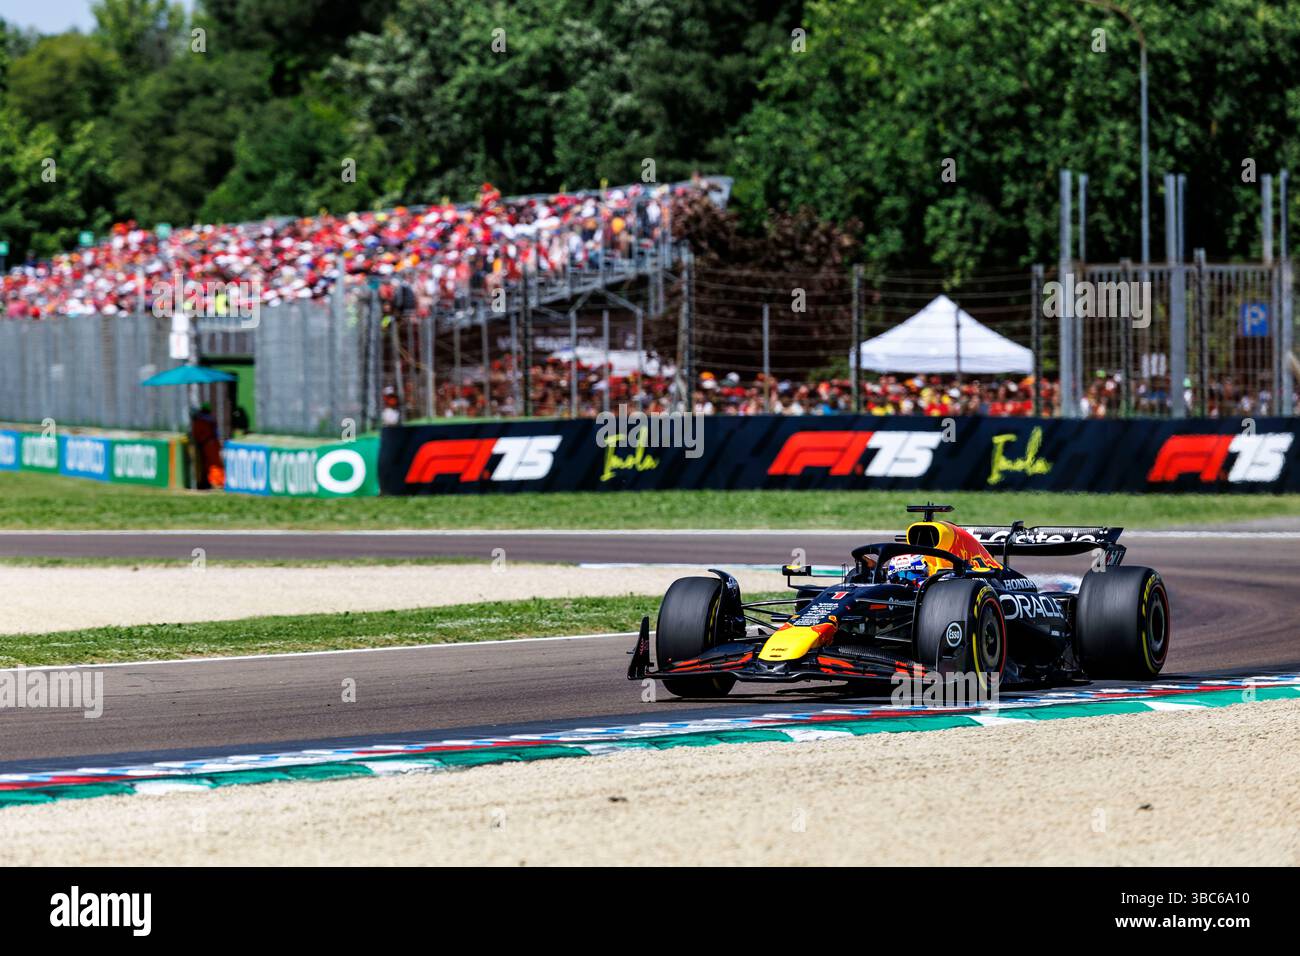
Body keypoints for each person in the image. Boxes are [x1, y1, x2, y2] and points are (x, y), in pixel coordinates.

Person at [189, 404, 224, 490]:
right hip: (210, 443)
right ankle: (214, 482)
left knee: (213, 464)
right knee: (211, 464)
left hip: (209, 444)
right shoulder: (208, 419)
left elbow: (197, 435)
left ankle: (218, 482)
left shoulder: (201, 421)